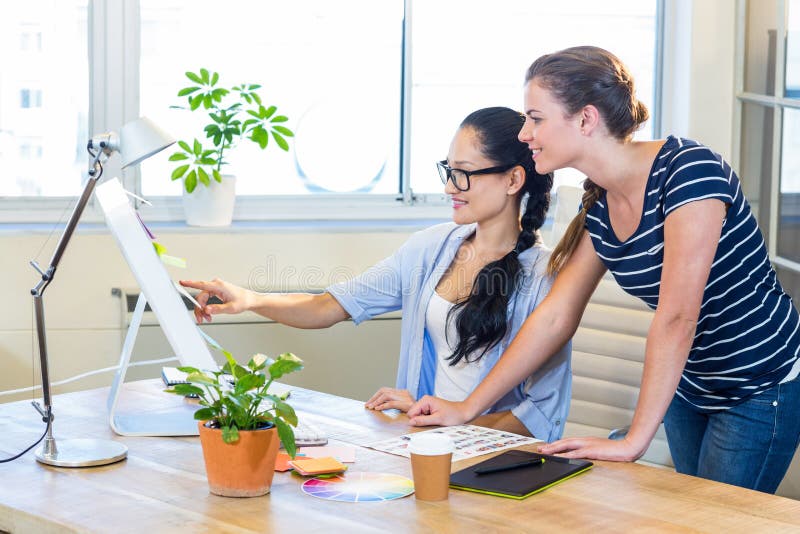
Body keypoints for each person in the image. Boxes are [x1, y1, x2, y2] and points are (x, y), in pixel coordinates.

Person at [407, 46, 800, 493]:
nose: (524, 133)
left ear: (586, 120)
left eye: (535, 118)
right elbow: (556, 316)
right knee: (690, 516)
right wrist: (467, 408)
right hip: (690, 383)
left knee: (719, 520)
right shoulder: (600, 207)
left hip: (758, 383)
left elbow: (677, 318)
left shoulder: (690, 173)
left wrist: (633, 441)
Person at [181, 106, 571, 441]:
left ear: (513, 180)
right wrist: (251, 299)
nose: (451, 186)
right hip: (423, 446)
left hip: (488, 461)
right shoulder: (430, 248)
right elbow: (329, 306)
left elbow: (539, 416)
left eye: (465, 173)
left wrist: (447, 427)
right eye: (447, 171)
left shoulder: (544, 278)